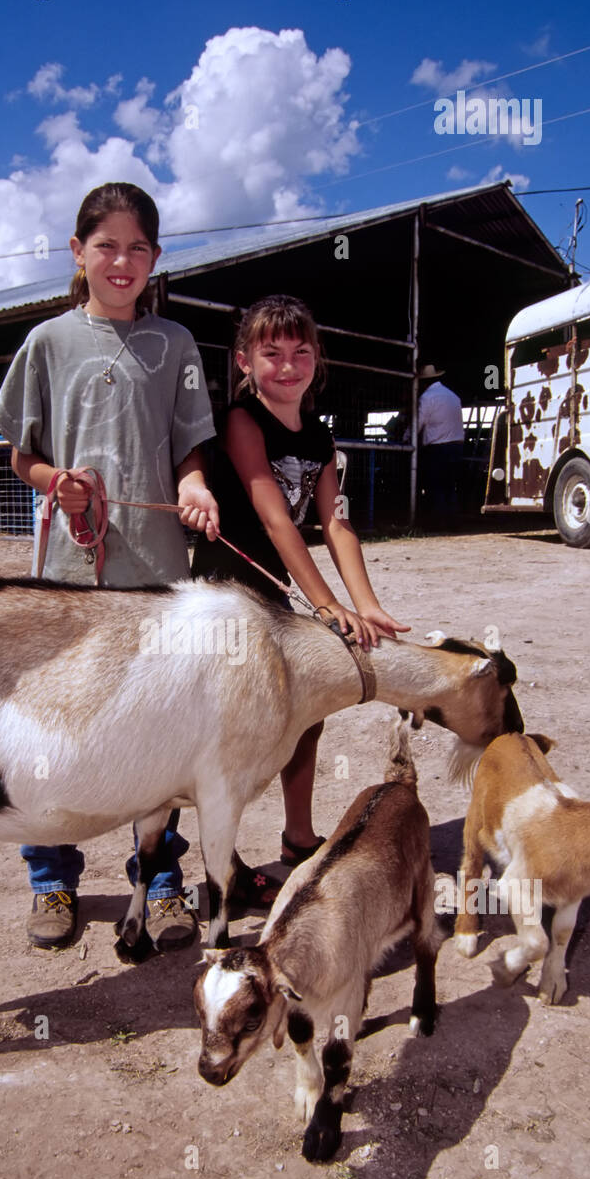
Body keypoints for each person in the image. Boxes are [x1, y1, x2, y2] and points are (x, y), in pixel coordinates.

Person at [0, 182, 220, 954]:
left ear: (155, 258)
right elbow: (21, 453)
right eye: (106, 246)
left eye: (137, 248)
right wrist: (59, 482)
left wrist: (191, 484)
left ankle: (158, 881)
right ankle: (51, 879)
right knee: (59, 726)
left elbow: (189, 444)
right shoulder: (48, 342)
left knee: (159, 727)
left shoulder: (175, 344)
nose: (121, 261)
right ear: (77, 253)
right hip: (69, 574)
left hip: (157, 573)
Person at [192, 295, 409, 867]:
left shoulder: (320, 437)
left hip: (275, 597)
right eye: (272, 353)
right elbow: (273, 518)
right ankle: (223, 857)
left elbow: (337, 525)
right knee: (230, 728)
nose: (287, 366)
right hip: (226, 597)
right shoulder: (242, 420)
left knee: (308, 714)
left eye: (300, 352)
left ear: (317, 359)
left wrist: (368, 604)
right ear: (244, 361)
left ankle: (298, 835)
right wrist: (329, 605)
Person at [417, 363, 464, 527]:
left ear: (424, 382)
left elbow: (418, 424)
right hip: (457, 446)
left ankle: (437, 523)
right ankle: (453, 522)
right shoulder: (454, 396)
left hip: (437, 448)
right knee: (450, 486)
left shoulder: (426, 398)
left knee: (435, 485)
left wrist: (406, 436)